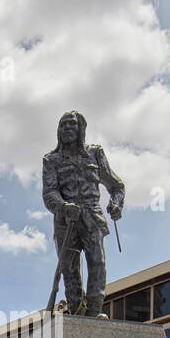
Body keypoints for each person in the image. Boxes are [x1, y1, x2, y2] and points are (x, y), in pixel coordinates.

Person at [42, 110, 125, 316]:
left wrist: (116, 204)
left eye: (72, 124)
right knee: (69, 269)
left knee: (97, 262)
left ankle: (95, 309)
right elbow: (49, 192)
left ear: (81, 129)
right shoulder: (51, 160)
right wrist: (63, 206)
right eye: (63, 125)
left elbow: (116, 185)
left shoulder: (95, 153)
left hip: (92, 216)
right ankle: (76, 309)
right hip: (66, 221)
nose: (67, 129)